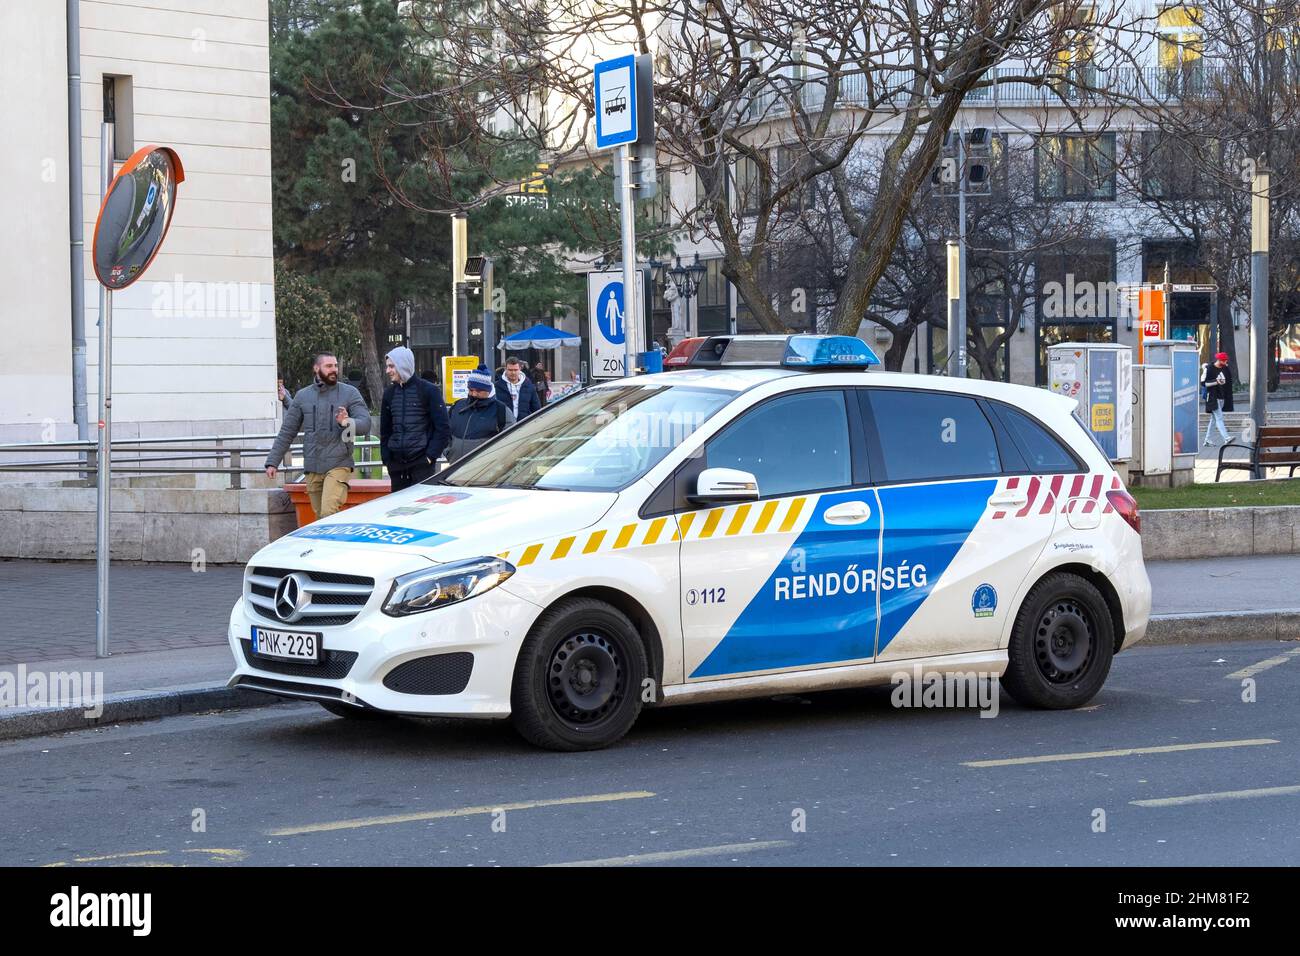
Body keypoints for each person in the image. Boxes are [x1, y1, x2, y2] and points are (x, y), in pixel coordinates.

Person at [265, 353, 372, 519]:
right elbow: (287, 431)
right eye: (329, 366)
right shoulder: (302, 396)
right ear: (316, 368)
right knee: (320, 518)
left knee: (328, 512)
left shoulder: (350, 393)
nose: (334, 370)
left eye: (335, 366)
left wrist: (346, 422)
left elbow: (365, 424)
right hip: (313, 465)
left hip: (339, 463)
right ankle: (333, 544)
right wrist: (272, 461)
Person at [380, 346, 451, 492]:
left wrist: (430, 457)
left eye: (391, 366)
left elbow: (443, 428)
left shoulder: (429, 391)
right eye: (387, 366)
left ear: (403, 365)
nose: (388, 371)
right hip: (396, 466)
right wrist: (387, 459)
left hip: (421, 464)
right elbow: (385, 430)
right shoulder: (389, 394)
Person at [448, 369, 513, 462]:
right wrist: (449, 452)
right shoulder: (457, 406)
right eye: (471, 390)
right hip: (455, 465)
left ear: (488, 390)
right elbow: (445, 432)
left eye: (478, 391)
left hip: (485, 468)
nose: (474, 394)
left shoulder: (501, 410)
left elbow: (510, 439)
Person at [1202, 351, 1235, 447]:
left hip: (1221, 397)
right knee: (1219, 417)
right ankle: (1226, 438)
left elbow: (1228, 383)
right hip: (1212, 397)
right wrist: (1217, 382)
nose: (1225, 363)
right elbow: (1204, 383)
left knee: (1214, 419)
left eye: (1226, 361)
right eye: (1224, 361)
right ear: (1219, 360)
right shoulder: (1209, 369)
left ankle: (1207, 440)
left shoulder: (1225, 369)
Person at [495, 356, 542, 421]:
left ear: (520, 369)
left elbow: (536, 409)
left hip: (524, 425)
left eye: (515, 370)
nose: (513, 372)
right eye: (510, 370)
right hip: (504, 427)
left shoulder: (529, 386)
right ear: (505, 369)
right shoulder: (497, 386)